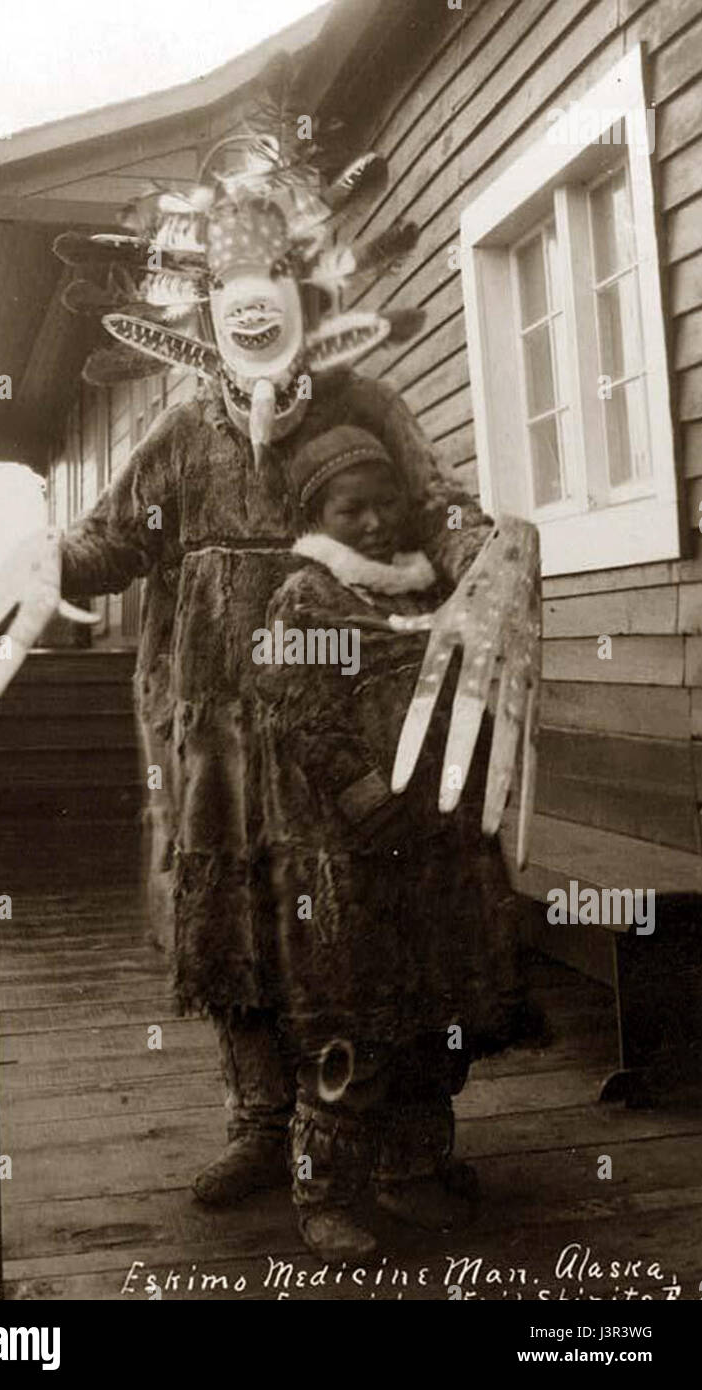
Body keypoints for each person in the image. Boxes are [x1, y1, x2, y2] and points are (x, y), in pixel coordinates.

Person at [0, 108, 541, 1220]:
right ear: (203, 303)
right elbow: (113, 540)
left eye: (271, 275)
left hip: (346, 715)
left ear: (307, 295)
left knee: (353, 928)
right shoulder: (181, 429)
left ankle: (371, 1147)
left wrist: (496, 558)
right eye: (226, 278)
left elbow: (444, 514)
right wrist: (45, 549)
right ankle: (263, 1124)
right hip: (204, 729)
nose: (249, 296)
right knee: (232, 921)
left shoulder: (369, 405)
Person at [256, 425, 538, 1260]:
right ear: (318, 514)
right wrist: (356, 788)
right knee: (354, 1028)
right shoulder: (307, 598)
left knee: (434, 1022)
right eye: (353, 509)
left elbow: (477, 679)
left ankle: (410, 1172)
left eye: (386, 504)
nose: (375, 523)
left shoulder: (430, 592)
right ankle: (327, 1190)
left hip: (440, 846)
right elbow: (292, 706)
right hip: (351, 854)